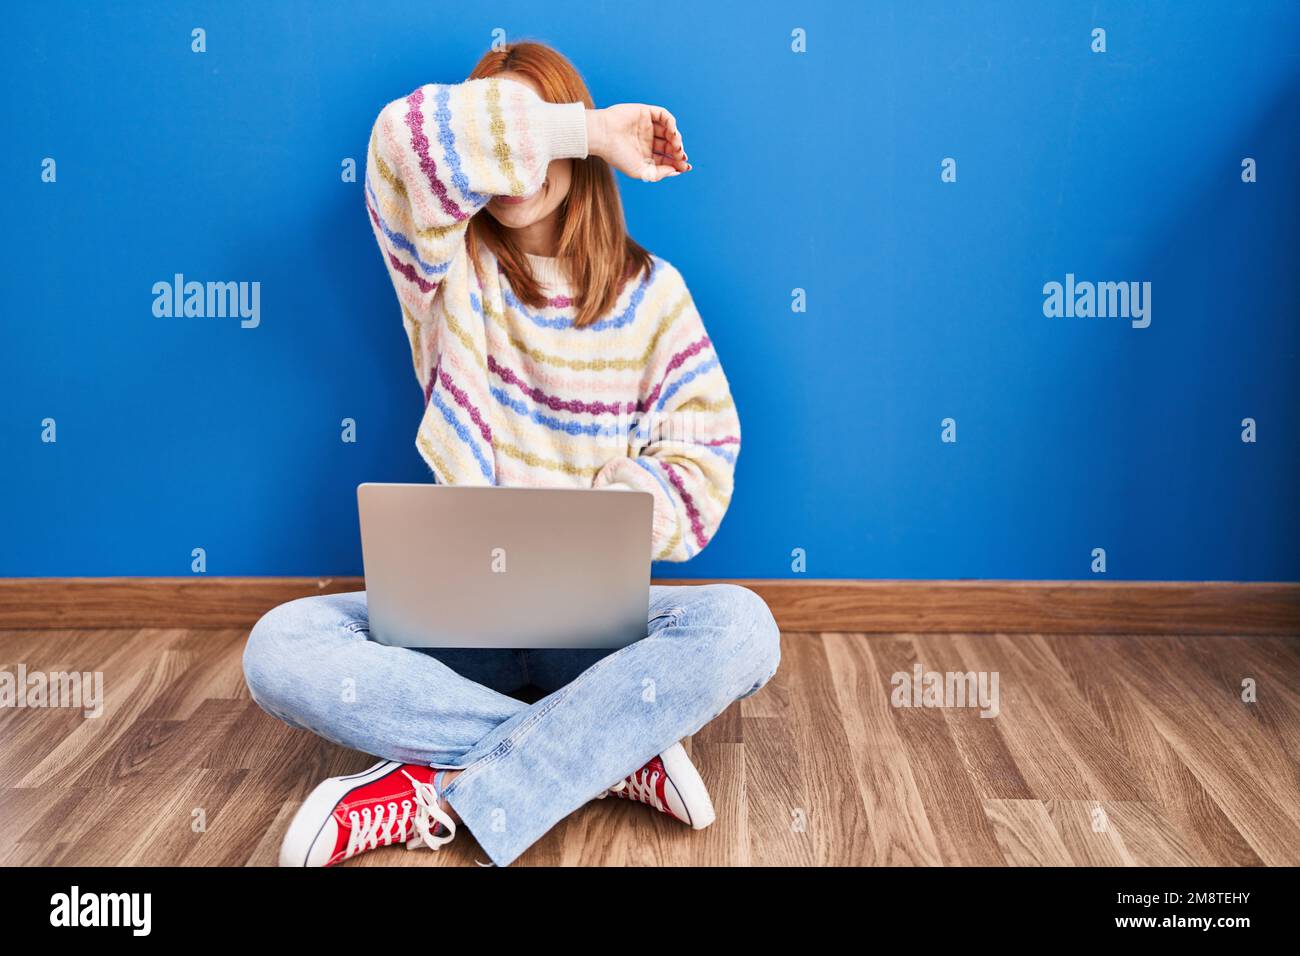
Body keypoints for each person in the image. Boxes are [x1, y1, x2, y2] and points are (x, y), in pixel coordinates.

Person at [242, 41, 780, 867]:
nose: (524, 159)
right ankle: (605, 756)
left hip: (597, 637)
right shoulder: (442, 270)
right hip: (458, 627)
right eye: (515, 134)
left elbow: (703, 453)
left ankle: (428, 784)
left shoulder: (654, 295)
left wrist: (607, 515)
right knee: (279, 645)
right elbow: (401, 138)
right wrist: (590, 132)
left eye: (544, 130)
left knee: (745, 626)